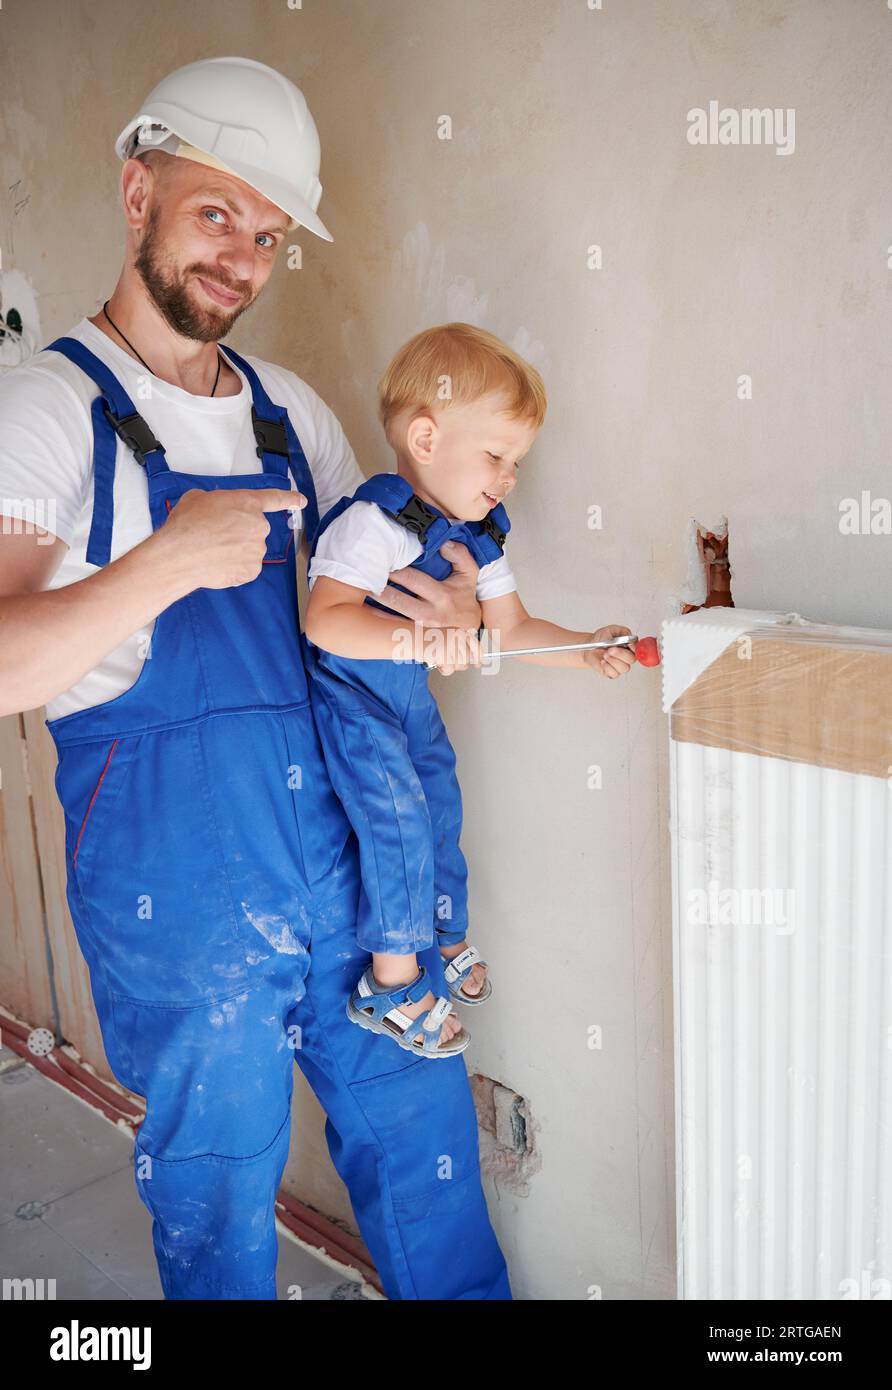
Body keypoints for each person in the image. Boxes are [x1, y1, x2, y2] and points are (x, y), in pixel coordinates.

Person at [0, 57, 511, 1300]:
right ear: (139, 192)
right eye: (215, 212)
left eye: (269, 234)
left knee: (426, 1156)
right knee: (218, 1202)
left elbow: (352, 610)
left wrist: (442, 605)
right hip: (177, 899)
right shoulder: (49, 409)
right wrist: (164, 563)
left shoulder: (293, 414)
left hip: (349, 874)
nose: (240, 256)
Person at [302, 323, 637, 1059]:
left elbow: (508, 628)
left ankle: (446, 929)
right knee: (396, 821)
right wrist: (418, 640)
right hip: (353, 702)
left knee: (440, 800)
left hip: (407, 697)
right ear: (425, 438)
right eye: (497, 455)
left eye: (517, 460)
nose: (510, 476)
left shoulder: (478, 537)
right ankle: (389, 984)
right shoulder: (374, 522)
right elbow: (325, 622)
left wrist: (586, 650)